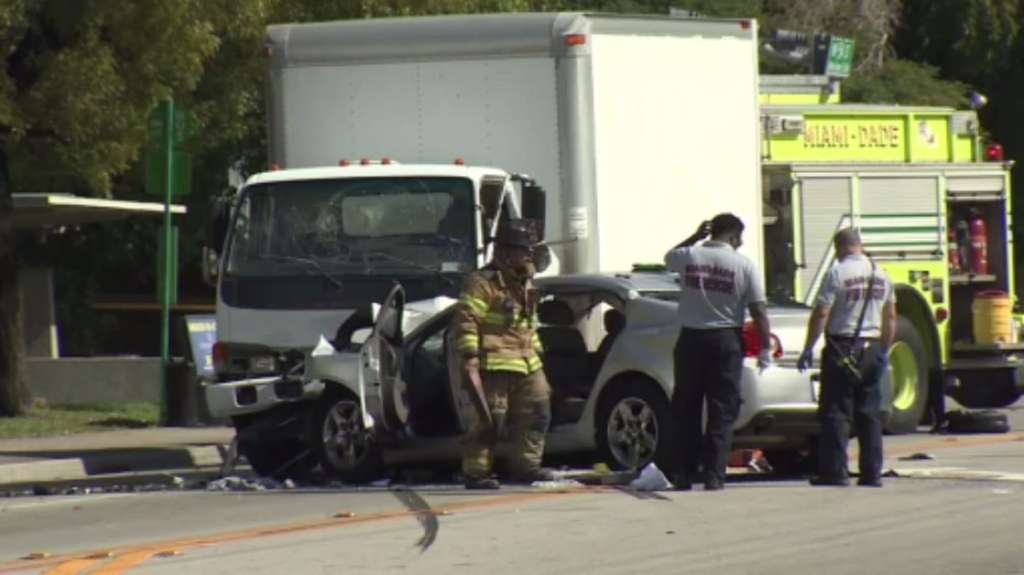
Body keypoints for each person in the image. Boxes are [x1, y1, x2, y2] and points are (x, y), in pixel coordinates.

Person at [664, 213, 773, 491]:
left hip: (690, 340)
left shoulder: (690, 255)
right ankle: (714, 476)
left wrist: (695, 236)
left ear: (711, 233)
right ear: (734, 237)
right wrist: (765, 347)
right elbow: (758, 309)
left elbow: (669, 257)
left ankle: (684, 474)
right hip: (725, 341)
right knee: (722, 410)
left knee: (686, 407)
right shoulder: (744, 265)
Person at [451, 219, 554, 490]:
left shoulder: (525, 284)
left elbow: (528, 324)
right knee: (488, 420)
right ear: (505, 252)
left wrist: (539, 353)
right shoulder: (481, 282)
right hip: (493, 364)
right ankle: (476, 474)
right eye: (524, 251)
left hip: (527, 363)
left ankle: (526, 468)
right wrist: (470, 355)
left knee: (537, 412)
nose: (528, 256)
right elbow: (466, 320)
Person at [797, 228, 896, 487]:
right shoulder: (881, 274)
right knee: (869, 413)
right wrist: (884, 351)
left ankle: (835, 472)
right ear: (859, 246)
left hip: (842, 347)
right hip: (872, 346)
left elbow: (822, 314)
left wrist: (809, 347)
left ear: (839, 247)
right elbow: (891, 317)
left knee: (836, 412)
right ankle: (872, 473)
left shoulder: (837, 272)